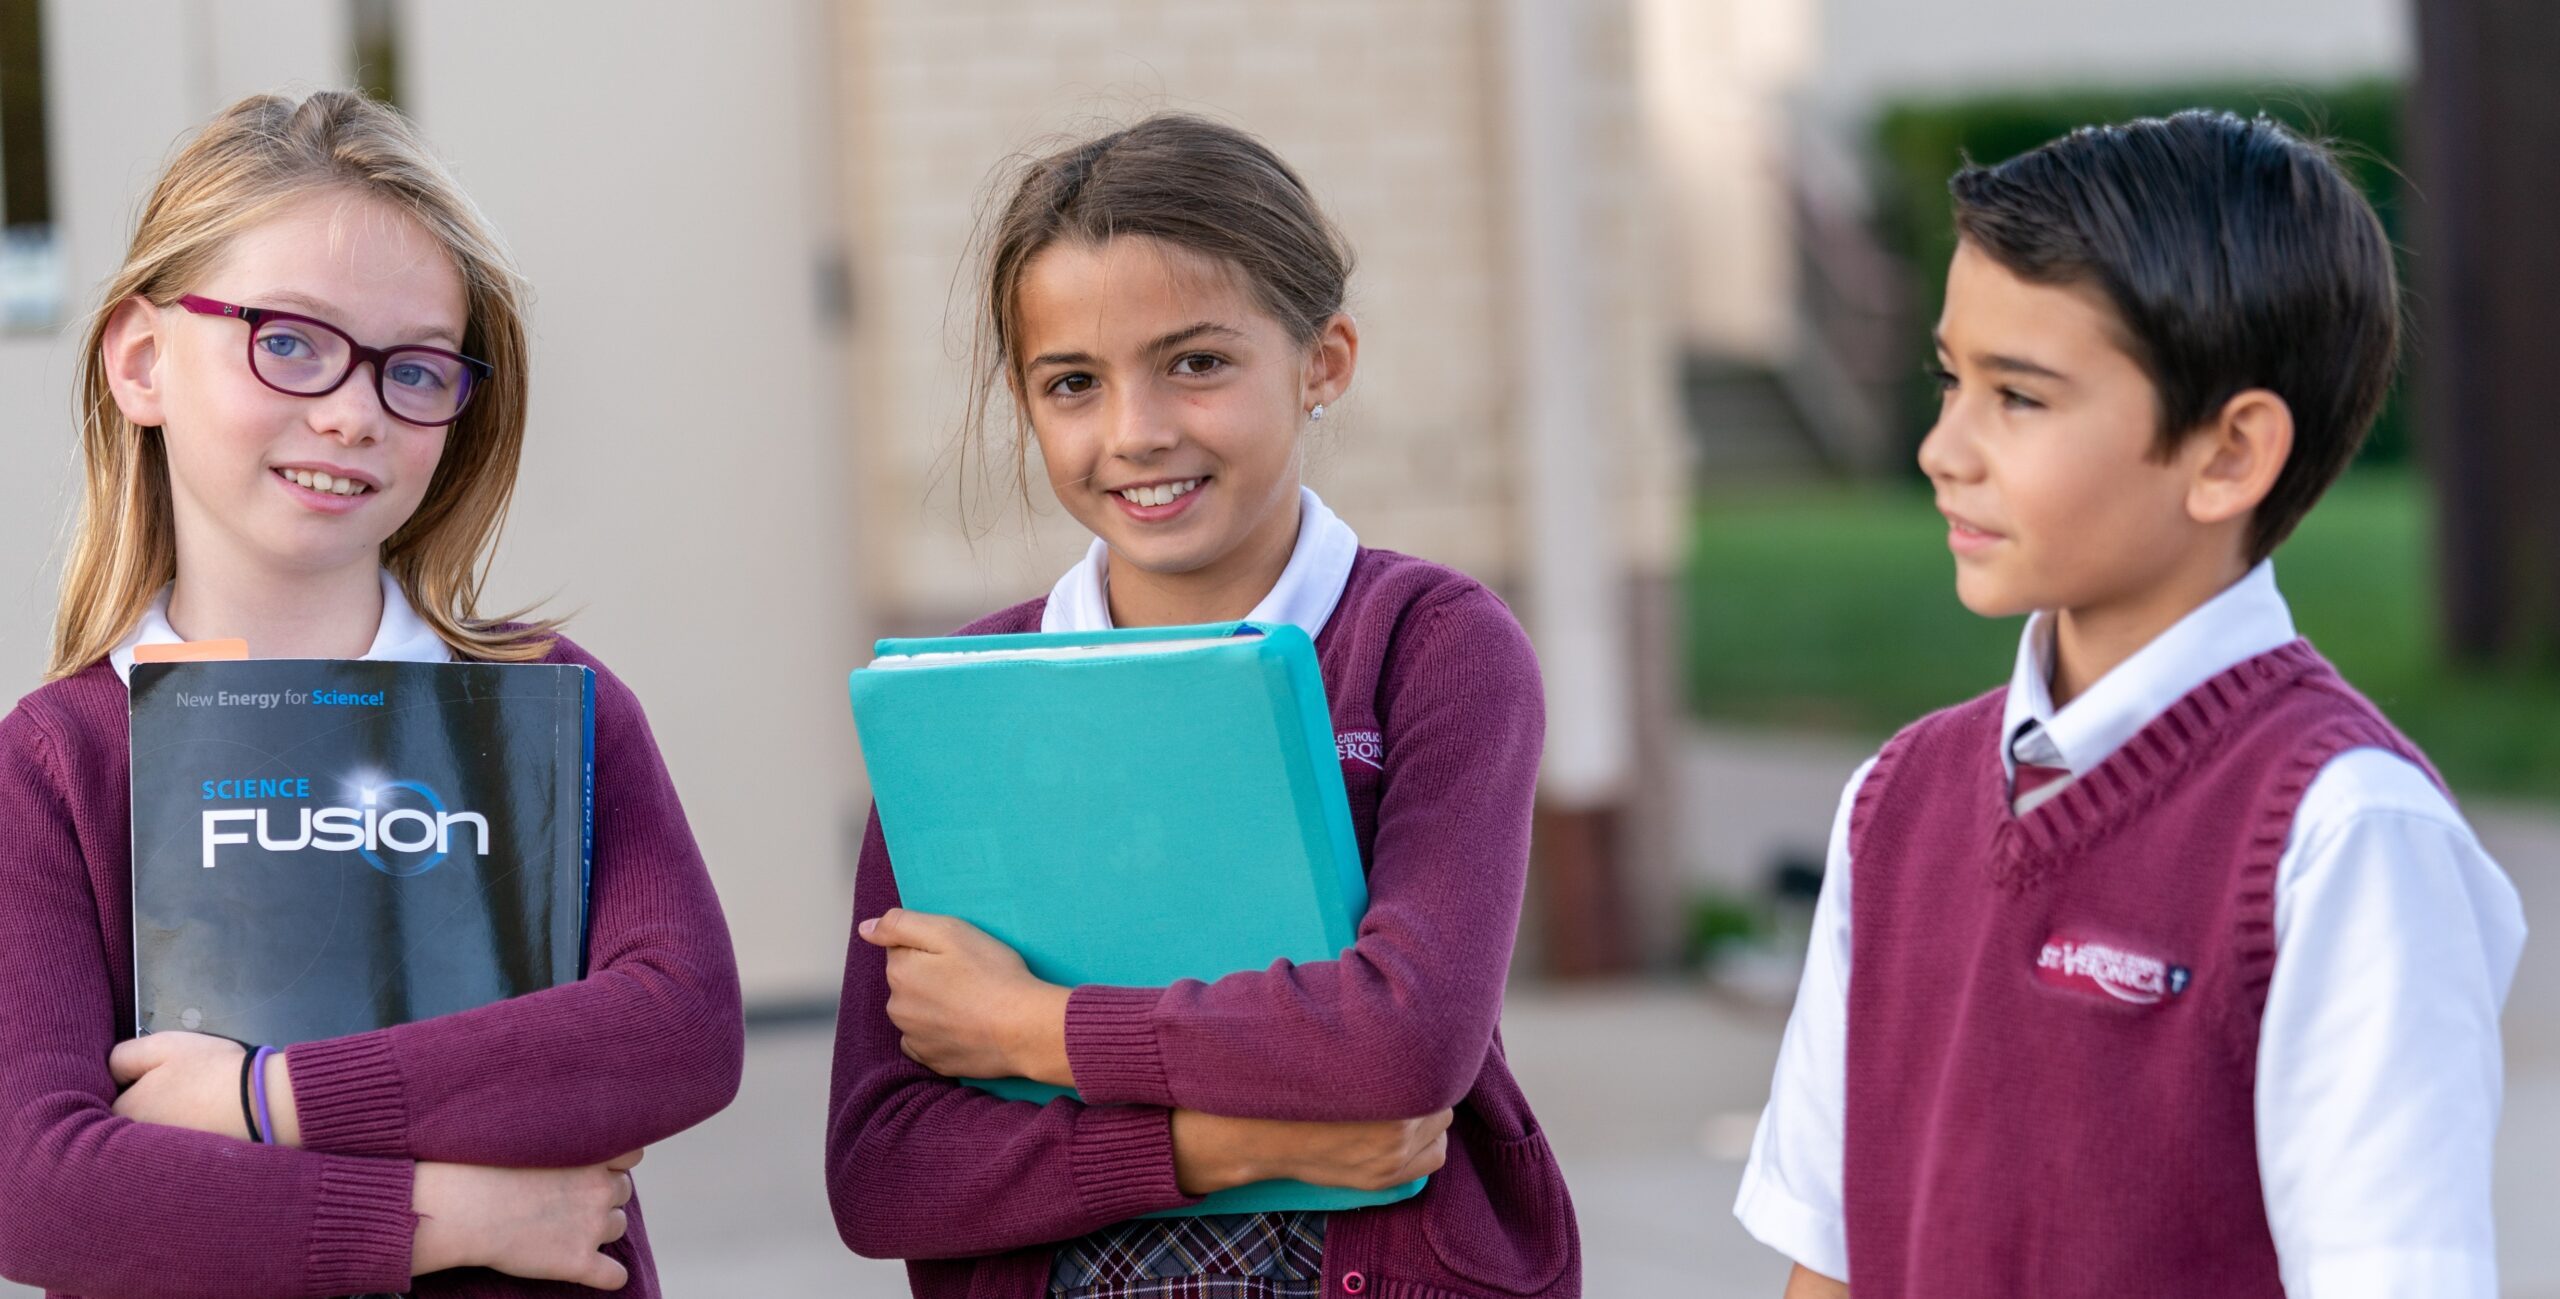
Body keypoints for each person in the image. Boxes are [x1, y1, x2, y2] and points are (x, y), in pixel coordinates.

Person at [1735, 110, 2526, 1298]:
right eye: (1950, 379)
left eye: (2019, 396)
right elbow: (1827, 1262)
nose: (1943, 449)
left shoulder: (2346, 837)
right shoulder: (1890, 805)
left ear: (2229, 454)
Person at [0, 91, 744, 1297]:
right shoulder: (59, 759)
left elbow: (678, 1028)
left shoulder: (549, 705)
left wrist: (265, 1098)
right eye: (290, 341)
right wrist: (434, 1217)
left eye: (415, 368)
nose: (353, 414)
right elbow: (40, 1185)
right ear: (141, 361)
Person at [826, 114, 1581, 1298]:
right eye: (1073, 383)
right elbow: (884, 1173)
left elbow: (1406, 1040)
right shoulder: (955, 701)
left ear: (1322, 361)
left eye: (1196, 364)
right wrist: (1226, 1145)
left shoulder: (1433, 646)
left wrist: (1030, 1028)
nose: (1136, 433)